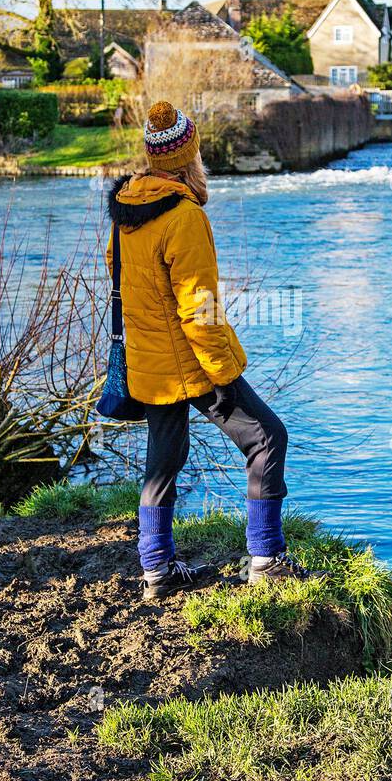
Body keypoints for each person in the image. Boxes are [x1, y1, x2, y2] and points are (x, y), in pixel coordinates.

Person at [106, 99, 308, 601]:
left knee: (163, 461)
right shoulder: (184, 217)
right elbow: (201, 309)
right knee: (267, 438)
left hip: (147, 363)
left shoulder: (125, 209)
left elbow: (119, 275)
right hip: (192, 363)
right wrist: (223, 370)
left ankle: (156, 570)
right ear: (189, 157)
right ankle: (266, 559)